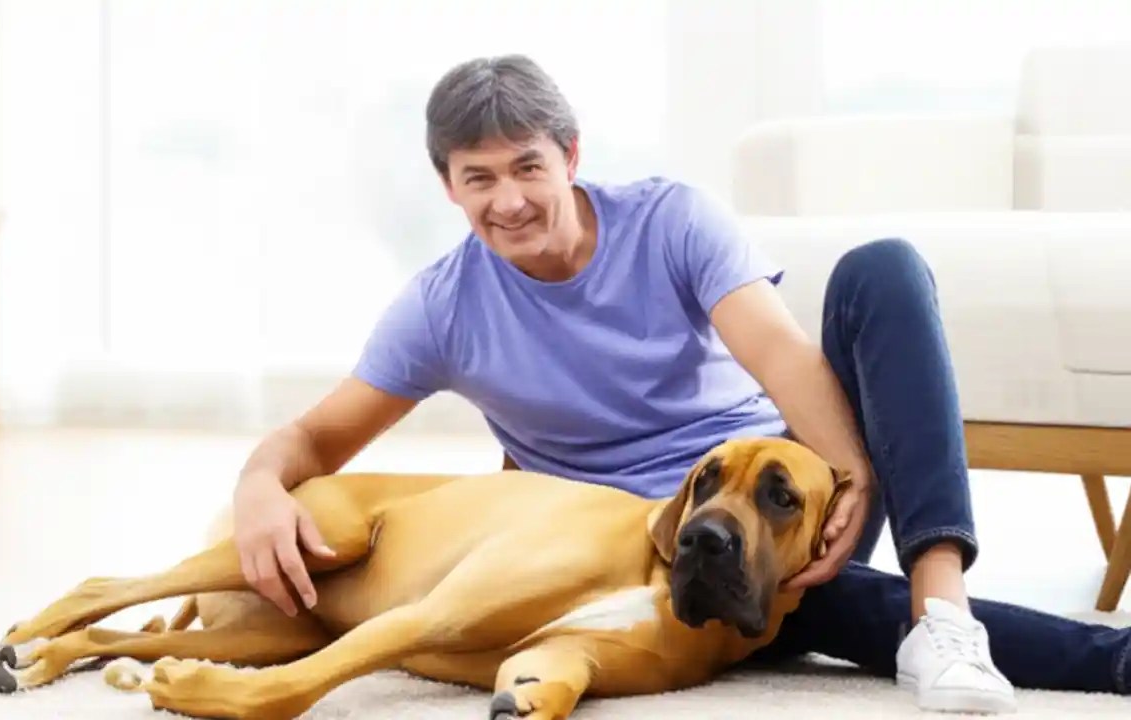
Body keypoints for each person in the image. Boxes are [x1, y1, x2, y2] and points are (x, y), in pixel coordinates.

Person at [231, 54, 1131, 713]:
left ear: (570, 156)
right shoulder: (441, 308)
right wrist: (259, 487)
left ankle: (943, 608)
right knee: (831, 612)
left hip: (784, 497)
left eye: (527, 168)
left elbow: (780, 356)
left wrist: (847, 480)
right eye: (479, 179)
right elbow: (311, 440)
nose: (508, 199)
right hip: (661, 562)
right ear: (449, 188)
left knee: (884, 270)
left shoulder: (669, 221)